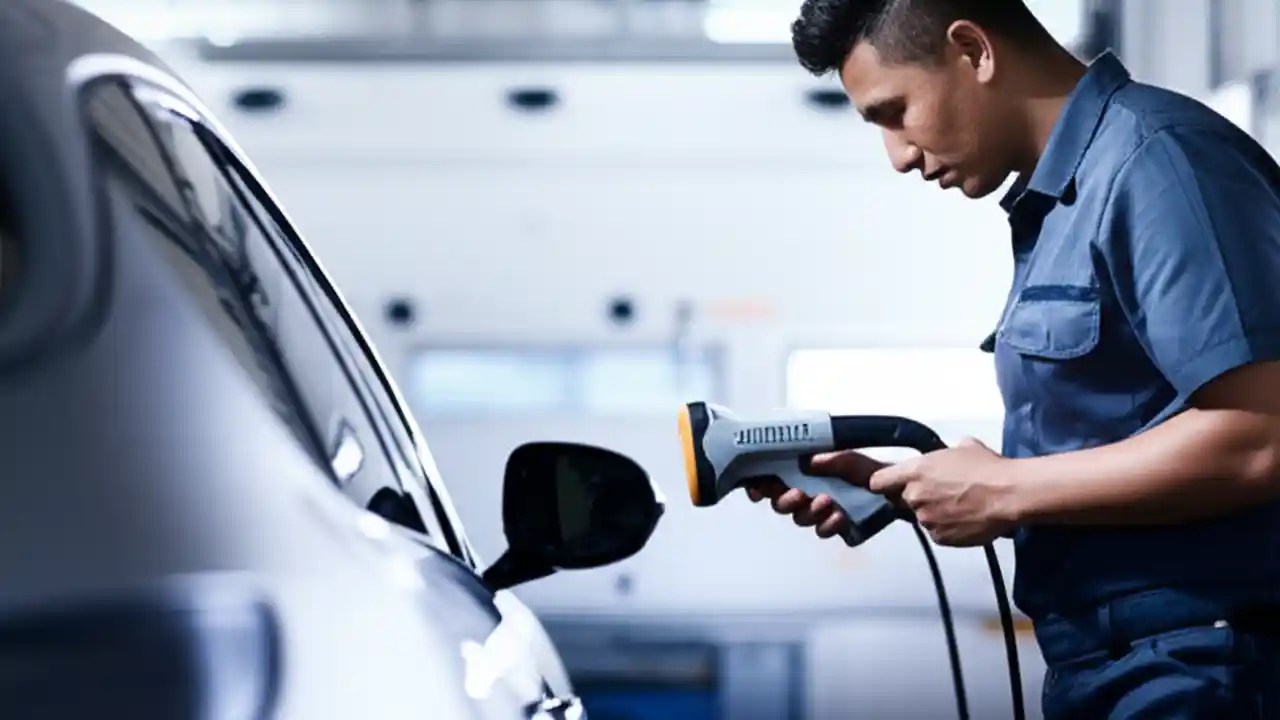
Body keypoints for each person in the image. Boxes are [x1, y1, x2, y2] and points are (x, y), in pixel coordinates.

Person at [747, 1, 1280, 717]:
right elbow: (1120, 438)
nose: (898, 155)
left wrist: (1005, 492)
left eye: (894, 111)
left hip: (1203, 668)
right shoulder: (1066, 202)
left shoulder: (1159, 163)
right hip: (1118, 669)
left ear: (973, 50)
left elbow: (1261, 436)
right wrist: (913, 488)